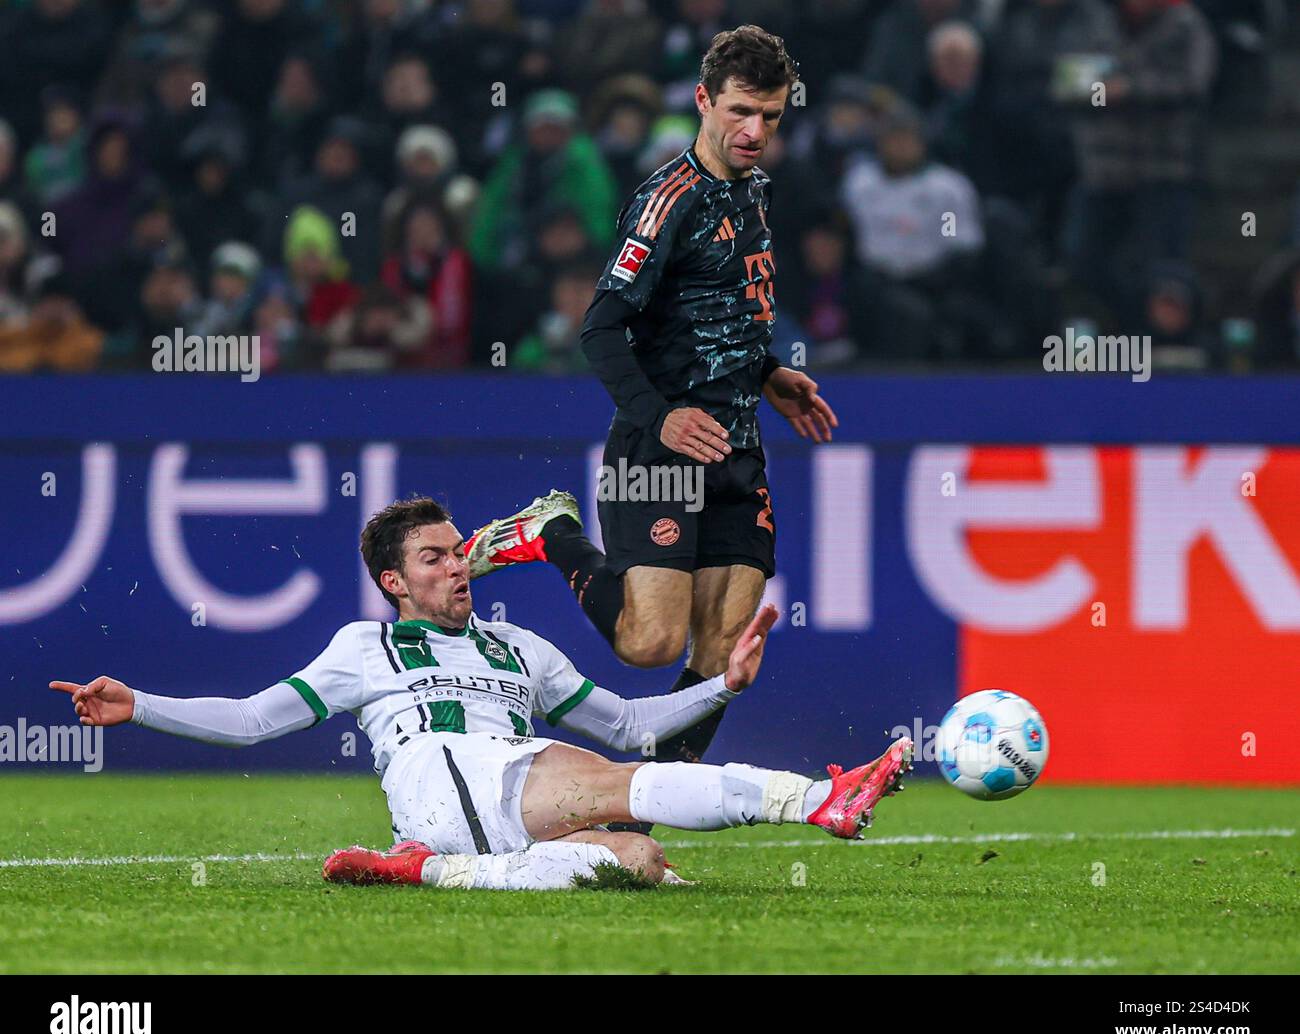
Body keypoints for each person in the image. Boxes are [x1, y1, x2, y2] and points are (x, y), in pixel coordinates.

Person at [50, 497, 913, 893]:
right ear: (393, 580)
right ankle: (817, 801)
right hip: (447, 779)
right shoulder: (367, 646)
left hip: (497, 797)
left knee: (640, 860)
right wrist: (142, 703)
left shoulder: (517, 647)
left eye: (458, 550)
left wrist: (720, 684)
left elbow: (632, 724)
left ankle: (442, 872)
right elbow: (248, 720)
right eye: (433, 557)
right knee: (605, 782)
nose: (458, 563)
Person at [465, 28, 839, 802]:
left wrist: (771, 374)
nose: (754, 132)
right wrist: (661, 416)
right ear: (702, 101)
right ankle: (550, 533)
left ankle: (651, 800)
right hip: (658, 446)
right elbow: (601, 328)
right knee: (649, 641)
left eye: (770, 115)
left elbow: (716, 313)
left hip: (736, 444)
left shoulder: (755, 189)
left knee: (724, 645)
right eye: (740, 111)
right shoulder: (666, 200)